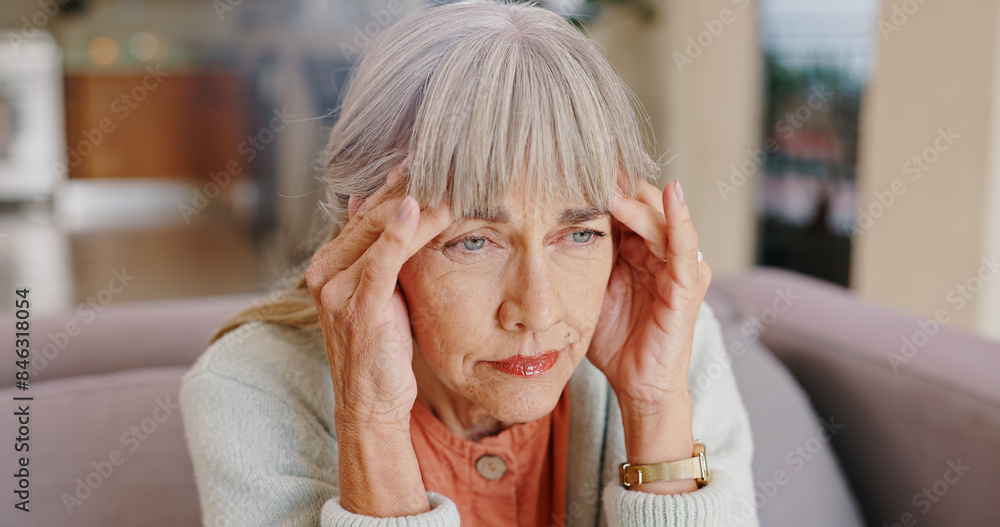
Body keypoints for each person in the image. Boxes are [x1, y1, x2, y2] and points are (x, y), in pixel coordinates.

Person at [179, 1, 758, 525]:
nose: (537, 310)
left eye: (579, 233)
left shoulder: (675, 345)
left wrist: (656, 407)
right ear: (364, 239)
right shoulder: (250, 385)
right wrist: (372, 420)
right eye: (474, 242)